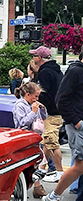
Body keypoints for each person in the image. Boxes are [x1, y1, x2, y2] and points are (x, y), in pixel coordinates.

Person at [42, 49, 83, 201]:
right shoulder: (75, 71)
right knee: (80, 166)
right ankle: (54, 197)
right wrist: (76, 121)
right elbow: (61, 99)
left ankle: (54, 197)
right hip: (78, 125)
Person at [28, 45, 63, 182]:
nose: (33, 58)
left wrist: (39, 105)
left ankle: (59, 172)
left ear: (40, 58)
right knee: (47, 141)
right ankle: (42, 168)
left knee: (52, 142)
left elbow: (44, 93)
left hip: (50, 112)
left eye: (34, 56)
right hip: (58, 110)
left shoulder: (44, 73)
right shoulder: (56, 71)